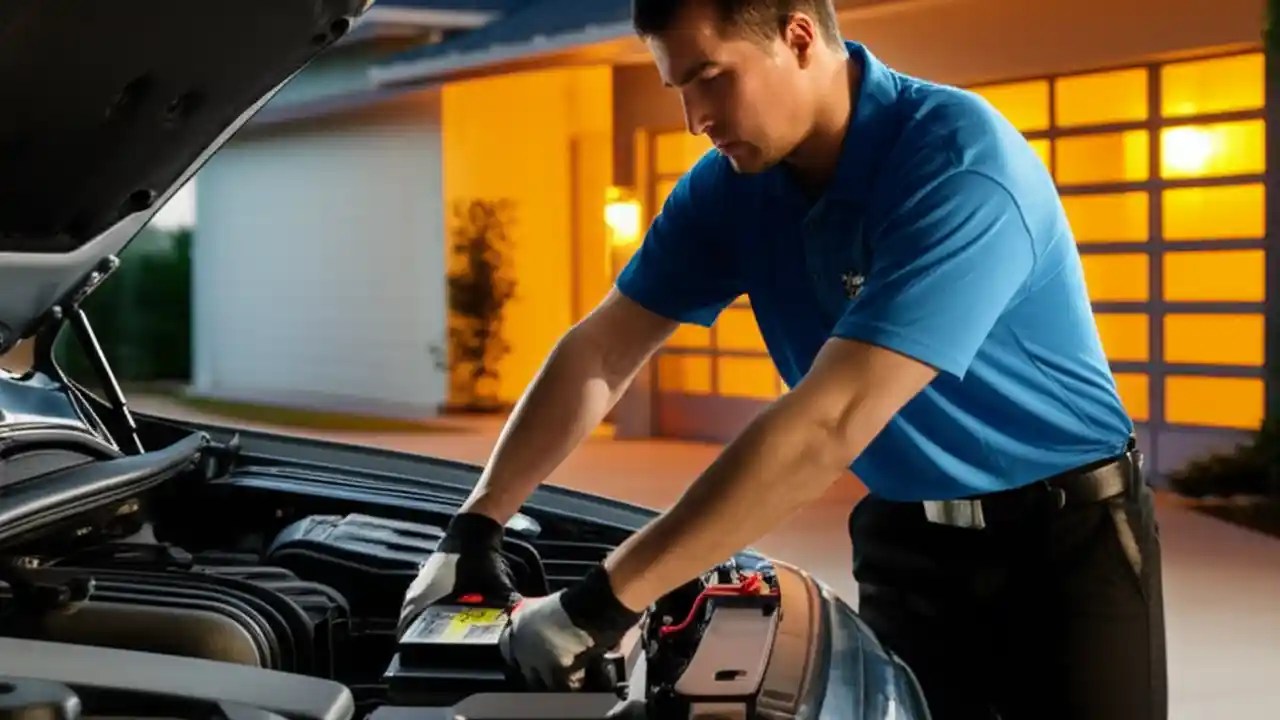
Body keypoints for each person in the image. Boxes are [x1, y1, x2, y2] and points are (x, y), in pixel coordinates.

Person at [398, 0, 1168, 717]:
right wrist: (475, 526)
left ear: (798, 36)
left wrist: (602, 601)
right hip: (905, 540)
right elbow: (604, 349)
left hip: (1065, 544)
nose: (696, 118)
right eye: (677, 88)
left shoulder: (956, 164)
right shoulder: (733, 190)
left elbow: (829, 422)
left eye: (709, 78)